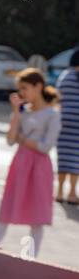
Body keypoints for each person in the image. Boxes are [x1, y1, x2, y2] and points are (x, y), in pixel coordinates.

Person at [0, 68, 60, 257]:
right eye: (20, 89)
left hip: (39, 168)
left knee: (37, 213)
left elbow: (45, 147)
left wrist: (22, 139)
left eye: (25, 88)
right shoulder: (23, 112)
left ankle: (30, 257)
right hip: (20, 164)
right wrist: (16, 113)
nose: (22, 93)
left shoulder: (52, 114)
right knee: (8, 205)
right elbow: (11, 139)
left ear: (39, 86)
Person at [55, 48, 79, 204]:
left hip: (62, 123)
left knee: (63, 159)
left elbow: (58, 99)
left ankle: (59, 192)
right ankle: (71, 193)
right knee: (76, 160)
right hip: (77, 125)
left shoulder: (64, 77)